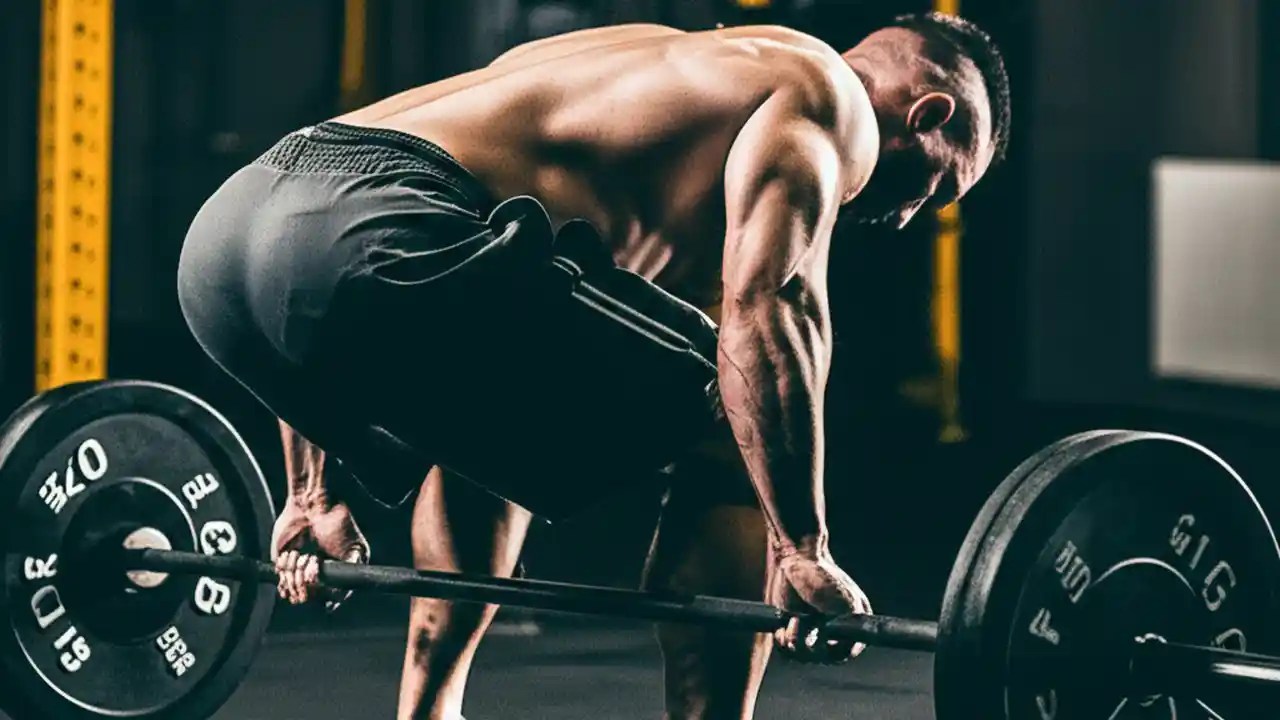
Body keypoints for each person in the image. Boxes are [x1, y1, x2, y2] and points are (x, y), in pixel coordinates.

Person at [177, 12, 1010, 720]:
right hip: (381, 228)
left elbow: (318, 241)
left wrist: (311, 495)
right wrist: (802, 548)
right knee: (739, 404)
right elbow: (773, 305)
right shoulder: (827, 94)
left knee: (506, 414)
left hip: (230, 238)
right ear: (928, 114)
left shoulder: (649, 67)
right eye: (936, 191)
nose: (905, 219)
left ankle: (429, 710)